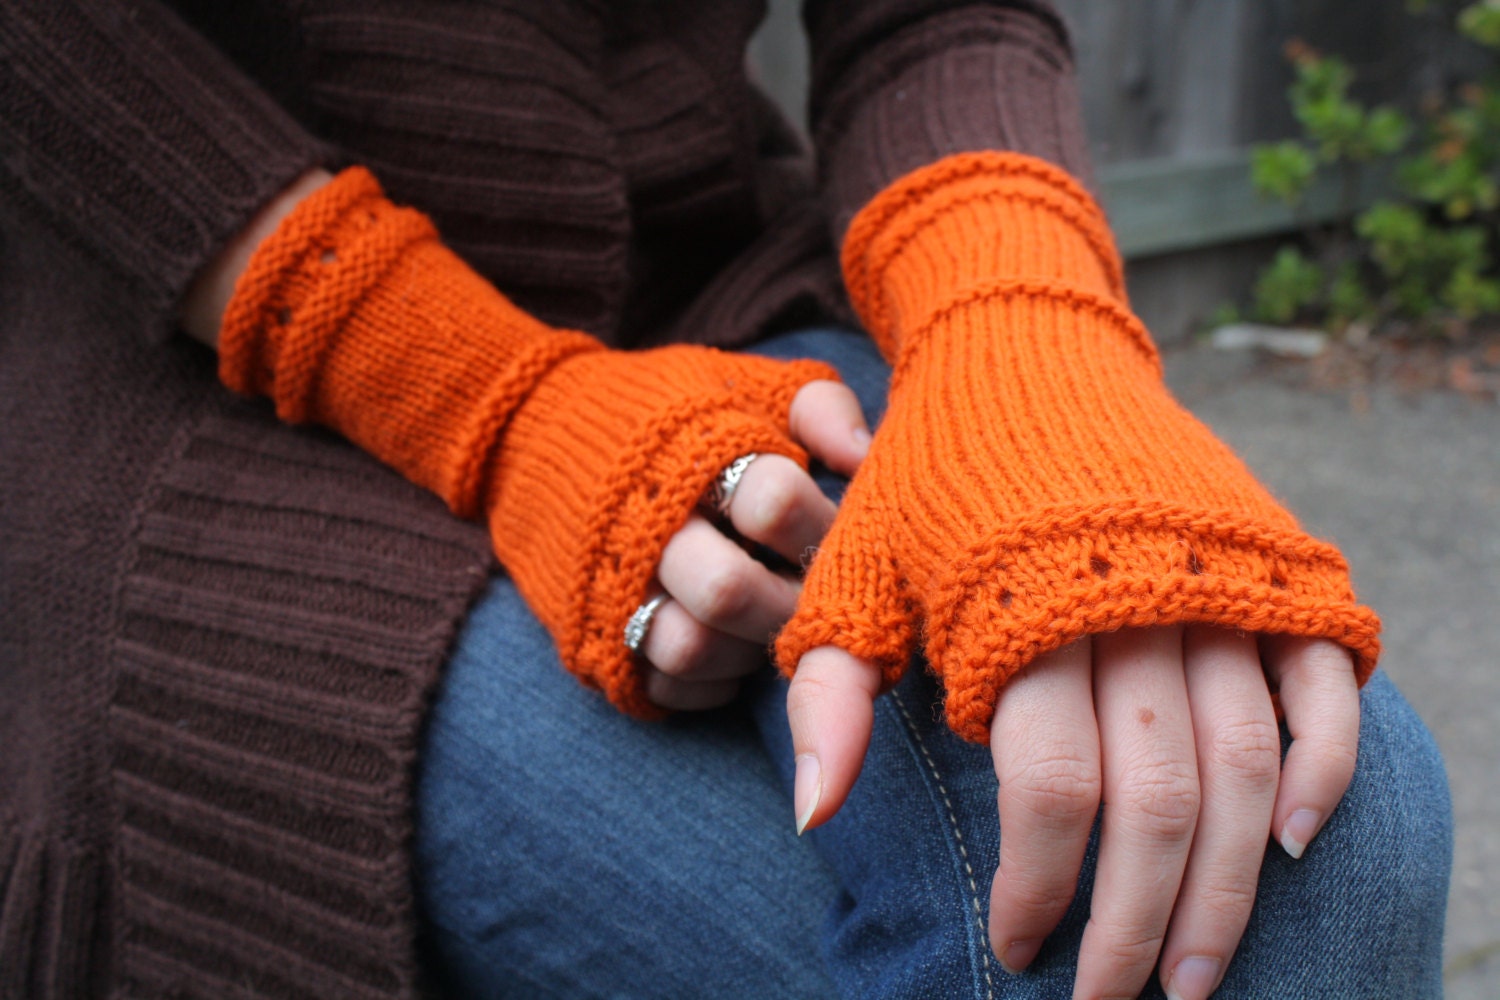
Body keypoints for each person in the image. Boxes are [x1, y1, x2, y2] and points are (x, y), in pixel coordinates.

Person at [0, 2, 1450, 998]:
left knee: (1331, 828)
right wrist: (478, 396)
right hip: (188, 384)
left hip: (719, 290)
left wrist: (1021, 320)